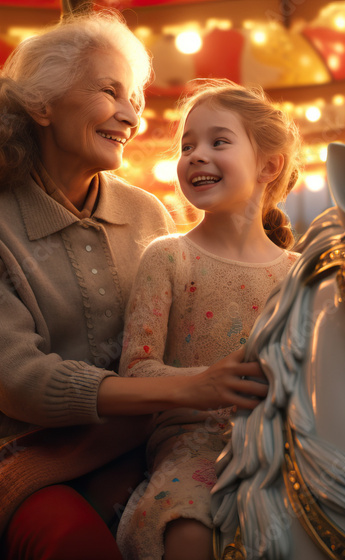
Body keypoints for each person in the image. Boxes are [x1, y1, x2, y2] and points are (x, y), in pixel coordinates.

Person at [0, 13, 268, 560]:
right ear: (42, 105)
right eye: (110, 91)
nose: (130, 115)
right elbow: (22, 379)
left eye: (135, 97)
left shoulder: (146, 213)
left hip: (142, 442)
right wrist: (189, 387)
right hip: (27, 450)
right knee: (73, 541)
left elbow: (183, 331)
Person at [115, 80, 302, 560]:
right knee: (191, 529)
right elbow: (136, 371)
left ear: (269, 165)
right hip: (195, 443)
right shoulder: (170, 258)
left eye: (218, 142)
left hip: (287, 442)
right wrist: (206, 381)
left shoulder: (297, 274)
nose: (196, 155)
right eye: (187, 145)